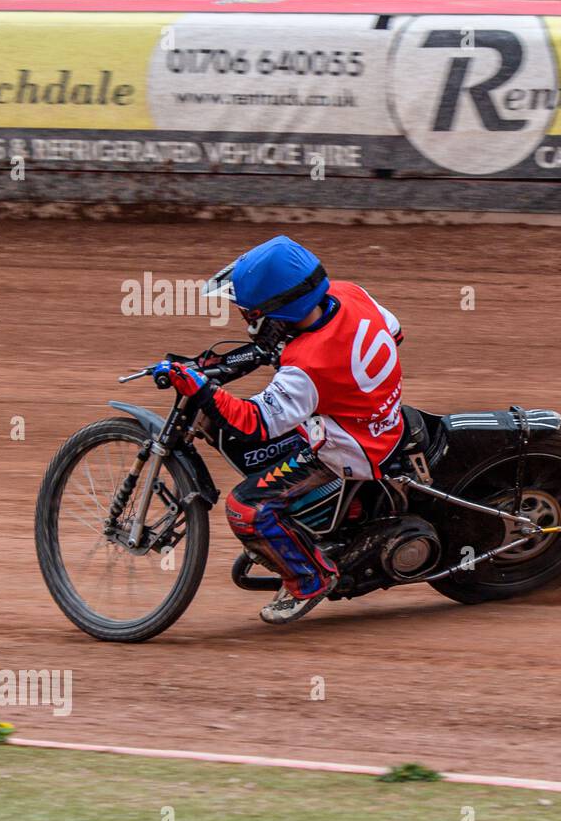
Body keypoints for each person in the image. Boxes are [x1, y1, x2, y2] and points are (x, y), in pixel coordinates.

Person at [155, 235, 405, 623]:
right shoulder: (349, 293)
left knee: (245, 509)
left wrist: (202, 389)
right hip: (377, 414)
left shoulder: (307, 366)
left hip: (346, 446)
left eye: (251, 313)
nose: (247, 319)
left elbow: (255, 423)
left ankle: (310, 579)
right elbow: (396, 331)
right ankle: (333, 517)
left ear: (282, 310)